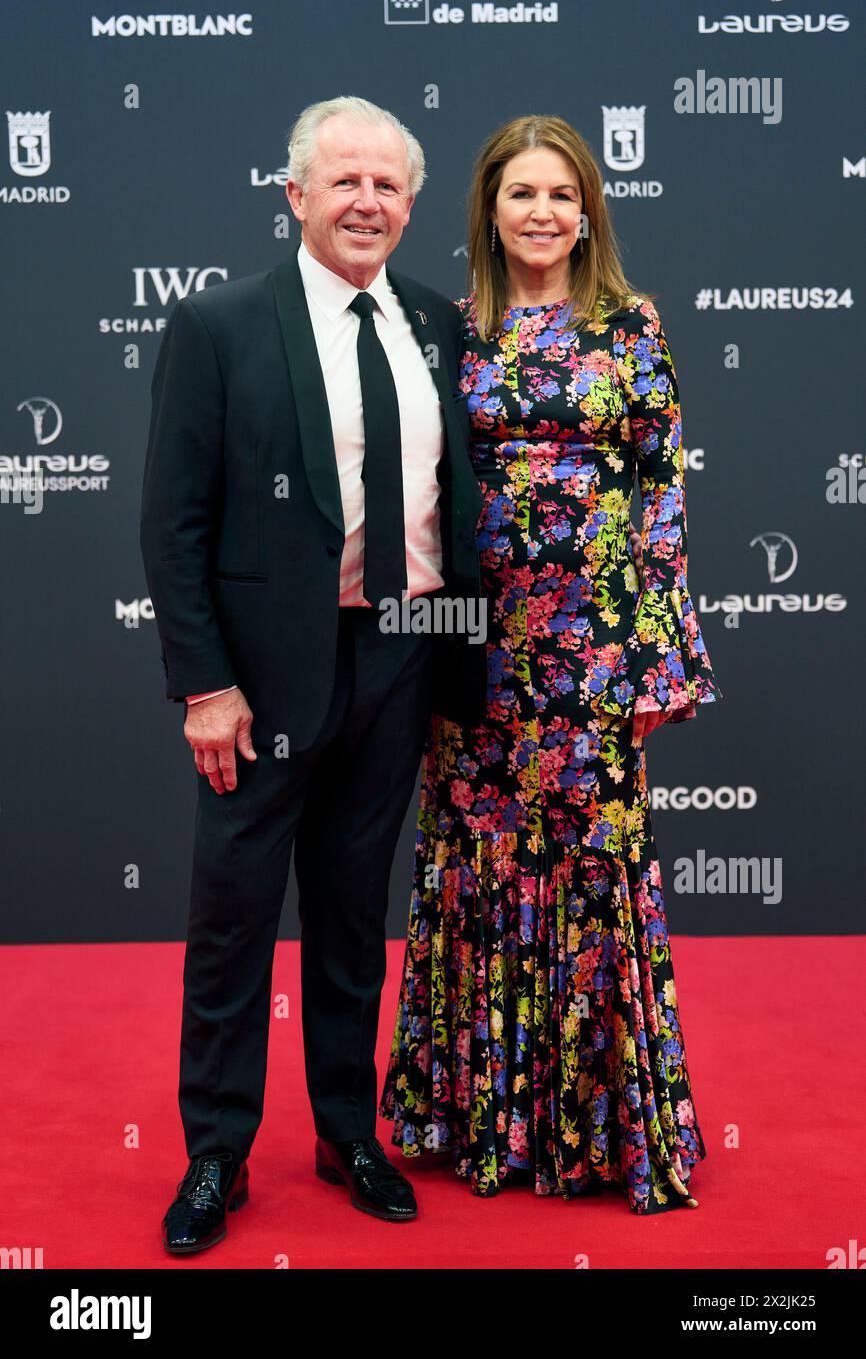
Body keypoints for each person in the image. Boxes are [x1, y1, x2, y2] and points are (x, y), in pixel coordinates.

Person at [140, 95, 491, 1250]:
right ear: (292, 196)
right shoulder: (220, 326)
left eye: (387, 186)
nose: (366, 202)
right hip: (257, 683)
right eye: (342, 182)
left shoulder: (439, 326)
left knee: (351, 919)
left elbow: (459, 510)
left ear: (410, 204)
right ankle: (213, 1155)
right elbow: (173, 524)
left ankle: (348, 1128)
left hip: (395, 663)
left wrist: (453, 665)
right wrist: (205, 684)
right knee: (234, 924)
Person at [380, 114, 721, 1214]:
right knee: (477, 860)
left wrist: (662, 653)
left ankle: (599, 1129)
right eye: (520, 193)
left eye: (560, 196)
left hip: (597, 644)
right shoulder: (447, 331)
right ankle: (483, 1117)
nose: (540, 212)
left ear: (586, 215)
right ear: (487, 209)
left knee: (591, 861)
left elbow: (660, 492)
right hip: (478, 643)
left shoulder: (630, 325)